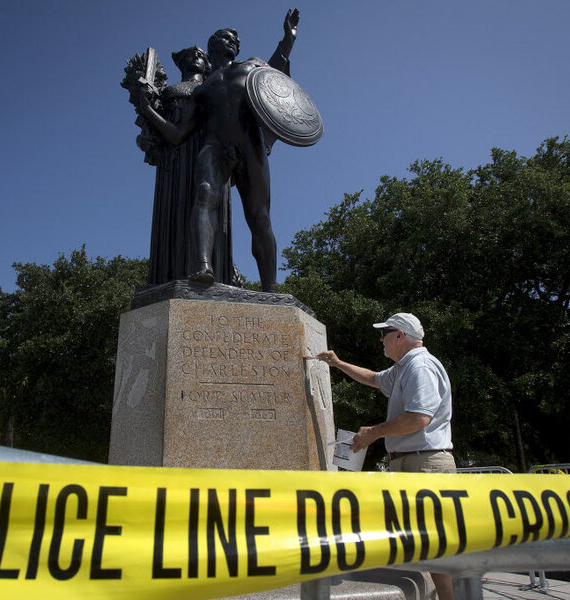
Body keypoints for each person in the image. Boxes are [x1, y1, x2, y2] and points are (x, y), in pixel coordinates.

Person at [137, 10, 300, 292]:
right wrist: (148, 109)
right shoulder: (201, 90)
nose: (232, 40)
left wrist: (288, 39)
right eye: (226, 37)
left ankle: (270, 287)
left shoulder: (251, 66)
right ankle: (203, 266)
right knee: (204, 194)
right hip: (215, 145)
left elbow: (277, 78)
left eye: (235, 38)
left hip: (249, 144)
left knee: (259, 216)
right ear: (213, 44)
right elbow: (178, 134)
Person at [316, 312, 456, 600]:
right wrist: (338, 363)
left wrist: (374, 432)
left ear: (400, 336)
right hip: (413, 461)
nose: (381, 339)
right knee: (428, 543)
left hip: (425, 462)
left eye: (385, 333)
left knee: (437, 544)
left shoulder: (420, 367)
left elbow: (418, 418)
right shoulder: (404, 368)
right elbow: (373, 379)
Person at [144, 46, 234, 285]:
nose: (194, 58)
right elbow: (155, 135)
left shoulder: (214, 85)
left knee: (208, 204)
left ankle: (215, 271)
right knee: (175, 214)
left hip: (209, 154)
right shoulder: (168, 92)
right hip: (174, 162)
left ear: (207, 63)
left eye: (200, 55)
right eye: (188, 56)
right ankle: (170, 277)